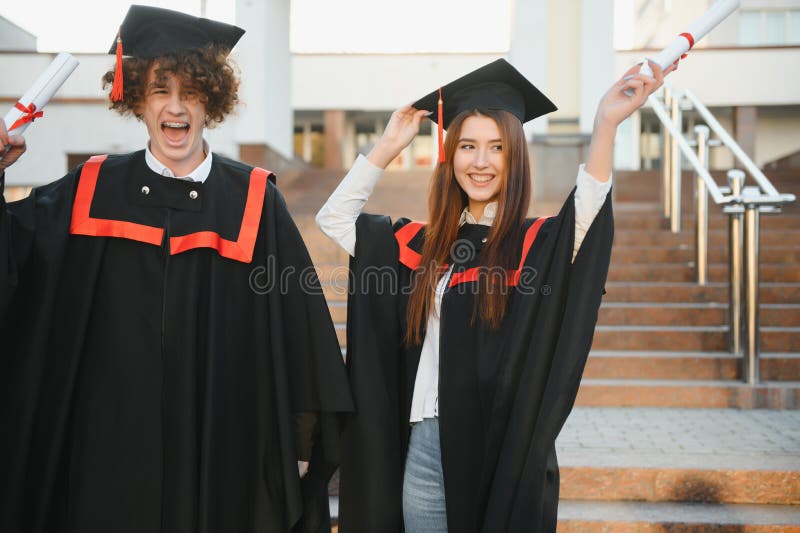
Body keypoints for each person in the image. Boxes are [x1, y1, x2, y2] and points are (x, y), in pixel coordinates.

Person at [0, 6, 351, 533]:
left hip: (222, 447)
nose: (176, 107)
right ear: (136, 98)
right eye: (160, 90)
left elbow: (298, 333)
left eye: (192, 92)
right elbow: (13, 260)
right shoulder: (93, 189)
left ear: (212, 101)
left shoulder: (253, 198)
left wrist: (297, 445)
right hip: (105, 453)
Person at [317, 58, 673, 532]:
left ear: (515, 159)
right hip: (425, 444)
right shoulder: (423, 246)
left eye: (496, 148)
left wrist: (605, 123)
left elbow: (588, 214)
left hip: (500, 444)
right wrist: (387, 146)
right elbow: (335, 220)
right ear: (450, 156)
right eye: (467, 146)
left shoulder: (535, 245)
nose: (480, 162)